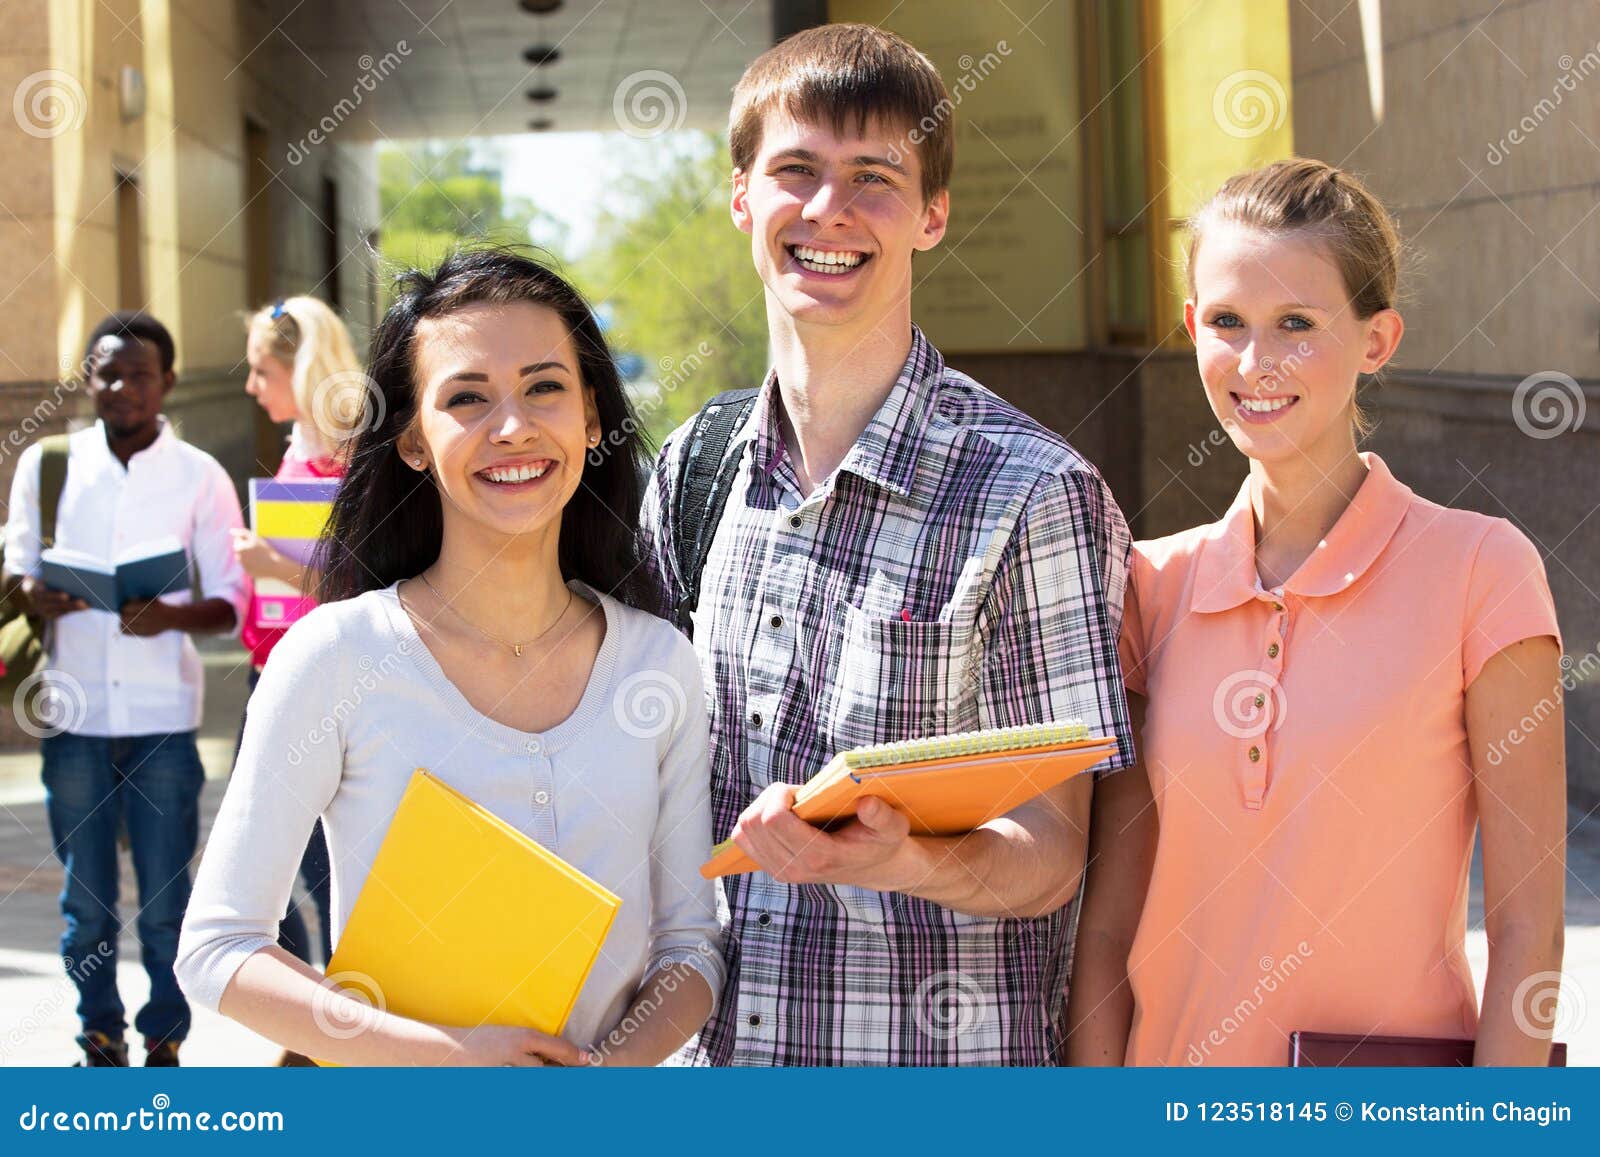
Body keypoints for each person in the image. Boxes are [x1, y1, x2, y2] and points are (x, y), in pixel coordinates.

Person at [638, 24, 1136, 1066]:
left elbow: (1052, 855)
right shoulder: (695, 468)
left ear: (932, 214)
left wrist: (898, 856)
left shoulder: (1034, 493)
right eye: (796, 172)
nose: (829, 210)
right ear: (741, 197)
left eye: (874, 177)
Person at [1064, 159, 1567, 1066]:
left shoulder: (1482, 571)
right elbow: (1107, 926)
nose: (1256, 363)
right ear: (1191, 330)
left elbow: (1530, 927)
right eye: (1227, 322)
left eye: (1296, 324)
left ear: (1378, 340)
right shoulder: (1148, 585)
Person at [176, 249, 725, 1066]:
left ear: (593, 420)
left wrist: (599, 1076)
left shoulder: (660, 664)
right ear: (412, 442)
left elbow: (692, 946)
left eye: (545, 387)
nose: (513, 426)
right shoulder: (335, 657)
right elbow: (217, 949)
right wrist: (450, 1056)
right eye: (467, 398)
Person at [4, 311, 251, 1067]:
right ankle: (99, 1033)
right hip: (73, 713)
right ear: (89, 378)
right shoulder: (48, 466)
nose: (120, 387)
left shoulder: (200, 476)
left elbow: (234, 599)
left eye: (139, 374)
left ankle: (165, 1037)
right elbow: (15, 568)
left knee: (169, 902)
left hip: (162, 721)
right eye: (107, 372)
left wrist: (165, 614)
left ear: (167, 383)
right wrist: (33, 592)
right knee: (86, 899)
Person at [231, 294, 367, 977]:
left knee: (319, 859)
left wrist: (272, 565)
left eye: (261, 371)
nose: (252, 387)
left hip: (327, 682)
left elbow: (359, 583)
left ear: (297, 366)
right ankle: (309, 1008)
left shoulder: (350, 459)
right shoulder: (302, 449)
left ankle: (332, 1015)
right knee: (265, 854)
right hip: (275, 663)